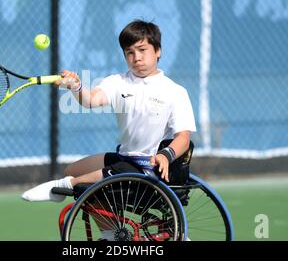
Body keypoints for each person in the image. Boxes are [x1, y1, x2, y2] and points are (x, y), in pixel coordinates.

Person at [22, 20, 196, 204]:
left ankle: (66, 185)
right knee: (72, 170)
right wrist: (75, 86)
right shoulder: (117, 82)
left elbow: (183, 138)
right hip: (126, 158)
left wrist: (165, 155)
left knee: (80, 184)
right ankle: (110, 232)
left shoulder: (175, 91)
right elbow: (91, 100)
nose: (136, 57)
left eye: (142, 50)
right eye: (130, 52)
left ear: (158, 51)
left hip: (149, 167)